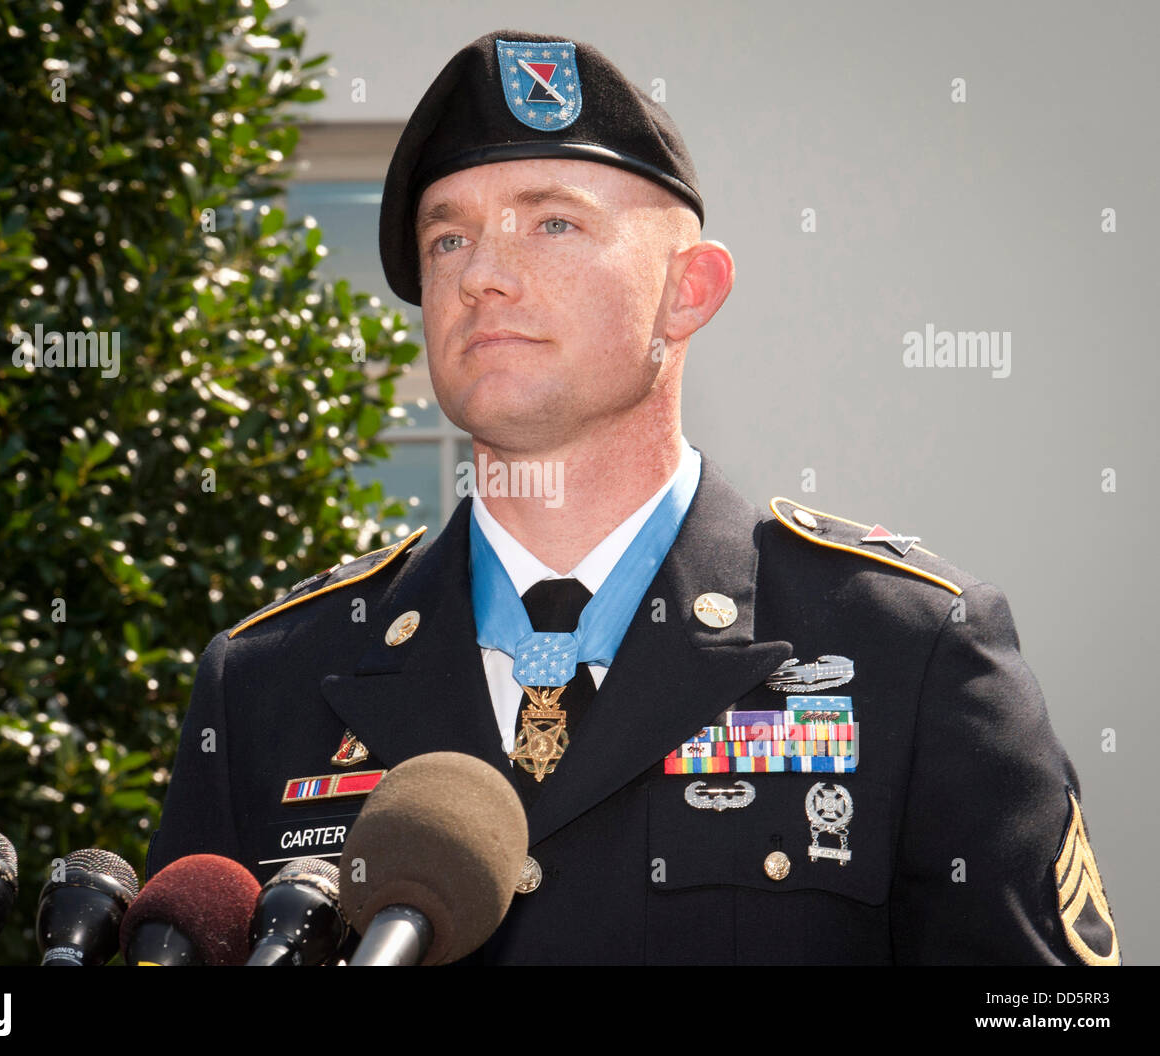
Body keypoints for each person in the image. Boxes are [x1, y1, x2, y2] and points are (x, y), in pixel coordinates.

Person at [148, 29, 1120, 965]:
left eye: (552, 222)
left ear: (686, 291)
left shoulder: (908, 651)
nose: (481, 274)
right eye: (447, 240)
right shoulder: (268, 683)